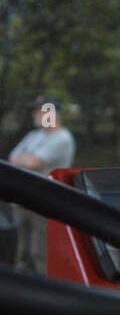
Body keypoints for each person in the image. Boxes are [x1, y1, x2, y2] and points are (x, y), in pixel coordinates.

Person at [7, 96, 76, 273]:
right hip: (22, 200)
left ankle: (45, 292)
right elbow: (12, 158)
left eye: (40, 110)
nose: (35, 114)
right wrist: (26, 159)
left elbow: (33, 163)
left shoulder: (62, 138)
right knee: (21, 251)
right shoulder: (34, 135)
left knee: (39, 251)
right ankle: (22, 293)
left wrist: (25, 159)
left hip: (44, 201)